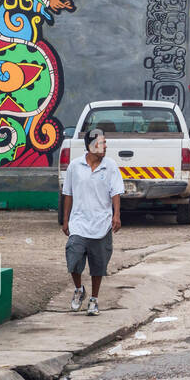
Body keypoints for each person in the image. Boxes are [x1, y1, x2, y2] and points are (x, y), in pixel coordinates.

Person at [60, 127, 122, 316]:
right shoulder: (75, 166)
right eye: (102, 143)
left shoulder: (110, 166)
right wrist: (65, 220)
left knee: (98, 264)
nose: (105, 146)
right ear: (91, 146)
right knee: (73, 256)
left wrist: (116, 215)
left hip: (101, 223)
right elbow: (68, 193)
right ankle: (79, 289)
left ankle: (94, 300)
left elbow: (116, 192)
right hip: (79, 222)